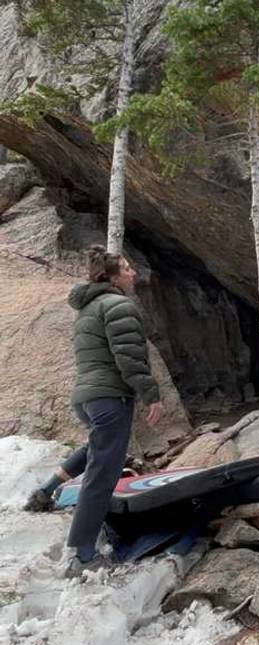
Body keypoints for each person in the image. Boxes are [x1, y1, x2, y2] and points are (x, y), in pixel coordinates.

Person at [26, 246, 164, 577]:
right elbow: (129, 357)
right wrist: (151, 395)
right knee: (103, 474)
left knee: (97, 449)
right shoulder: (118, 306)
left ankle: (46, 490)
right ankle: (81, 554)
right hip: (109, 397)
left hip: (86, 398)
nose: (132, 273)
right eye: (127, 269)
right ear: (114, 277)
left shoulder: (88, 309)